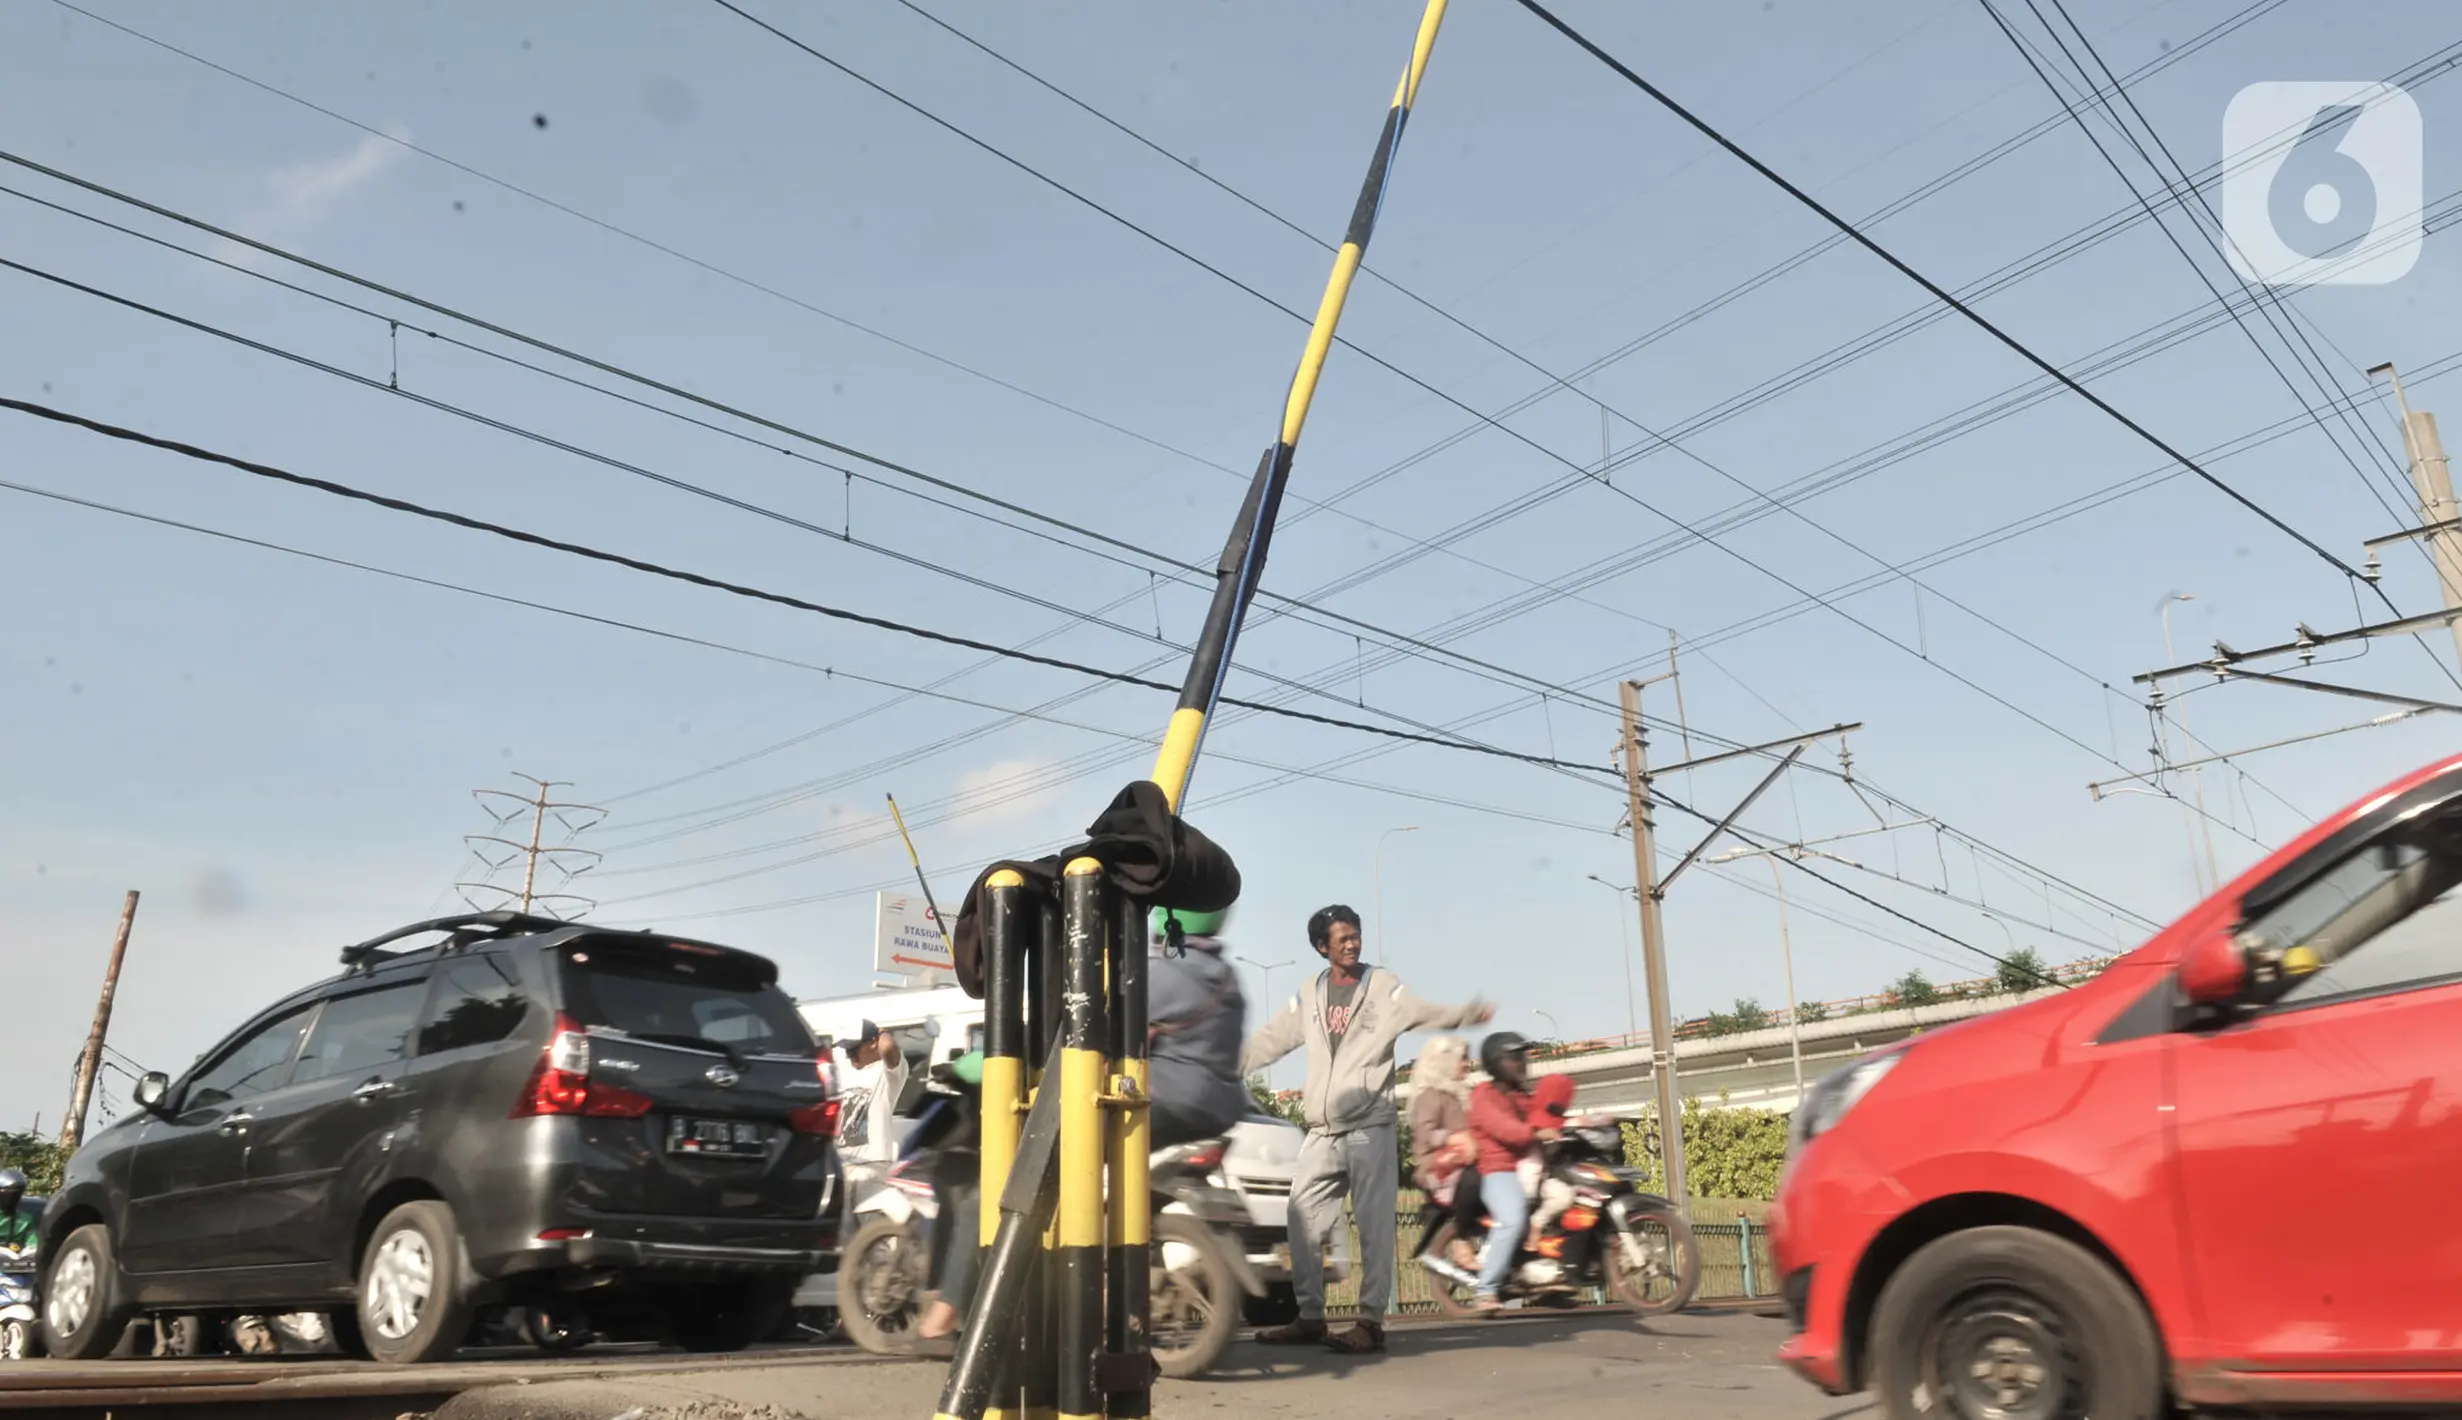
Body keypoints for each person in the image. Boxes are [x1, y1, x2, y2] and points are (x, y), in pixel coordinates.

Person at [1242, 903, 1493, 1355]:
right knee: (1300, 1218)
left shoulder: (1382, 986)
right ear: (1323, 947)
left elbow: (1419, 1011)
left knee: (1375, 1227)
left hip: (1368, 1124)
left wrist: (1463, 1015)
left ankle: (1371, 1322)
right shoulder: (1310, 992)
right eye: (1342, 938)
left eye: (1354, 935)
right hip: (1322, 1129)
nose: (1352, 943)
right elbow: (1273, 1037)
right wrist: (1228, 1067)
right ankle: (1310, 1317)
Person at [1146, 906, 1251, 1150]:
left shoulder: (1164, 970)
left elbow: (1109, 1032)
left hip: (1167, 1102)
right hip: (1222, 1109)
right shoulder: (1227, 975)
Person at [1467, 1031, 1556, 1314]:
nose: (1522, 1063)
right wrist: (1536, 1131)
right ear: (1497, 1062)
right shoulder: (1484, 1095)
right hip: (1497, 1168)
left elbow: (1543, 1116)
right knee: (1513, 1219)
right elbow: (1506, 1130)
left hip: (1528, 1167)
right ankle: (1486, 1290)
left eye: (1523, 1057)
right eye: (1515, 1057)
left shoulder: (1521, 1096)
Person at [1406, 1036, 1481, 1272]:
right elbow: (1425, 1133)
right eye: (1462, 1059)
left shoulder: (1458, 1094)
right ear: (1443, 1062)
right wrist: (1451, 1138)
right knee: (1475, 1180)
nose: (1467, 1064)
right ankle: (1461, 1239)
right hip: (1439, 1169)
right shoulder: (1429, 1096)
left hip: (1462, 1160)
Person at [1522, 1074, 1578, 1242]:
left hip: (1541, 1176)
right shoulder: (1536, 1116)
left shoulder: (1540, 1114)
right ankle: (1536, 1224)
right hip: (1529, 1179)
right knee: (1564, 1196)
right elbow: (1557, 1126)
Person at [0, 1170, 32, 1252]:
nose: (11, 1198)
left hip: (19, 1262)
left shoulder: (26, 1220)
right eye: (8, 1194)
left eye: (16, 1195)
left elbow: (33, 1243)